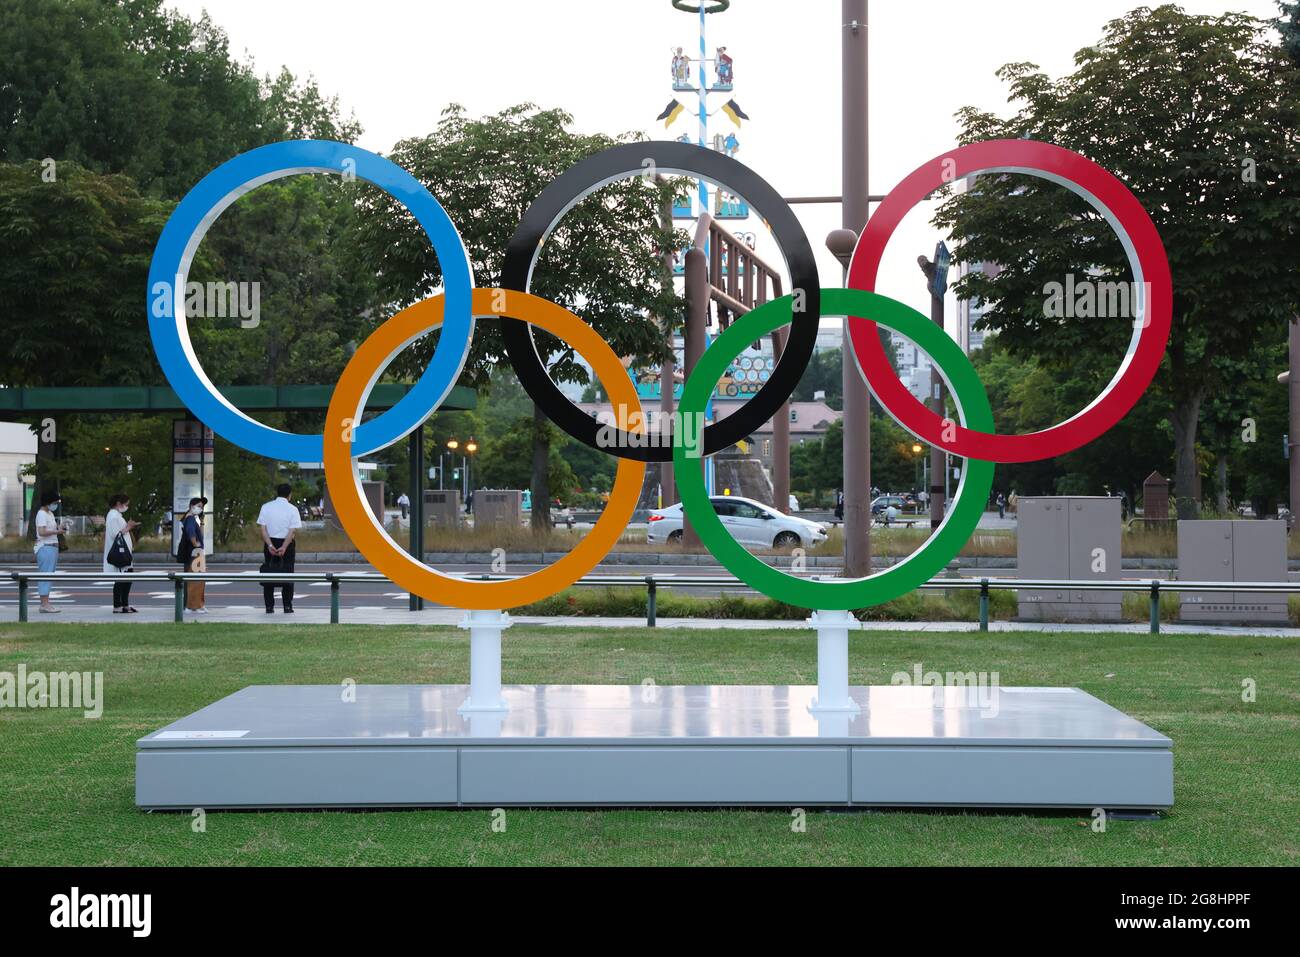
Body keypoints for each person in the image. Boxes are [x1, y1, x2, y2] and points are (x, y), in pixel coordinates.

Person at [258, 483, 302, 614]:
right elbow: (291, 531)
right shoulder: (293, 509)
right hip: (286, 543)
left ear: (277, 493)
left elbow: (263, 529)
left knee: (269, 573)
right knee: (288, 573)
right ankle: (287, 606)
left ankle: (269, 606)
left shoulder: (266, 507)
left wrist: (270, 545)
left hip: (270, 542)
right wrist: (284, 546)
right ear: (289, 495)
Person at [104, 493, 140, 613]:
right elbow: (116, 534)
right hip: (120, 553)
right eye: (126, 504)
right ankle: (117, 605)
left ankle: (125, 604)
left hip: (125, 552)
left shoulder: (117, 515)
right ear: (118, 503)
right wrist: (128, 527)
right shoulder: (113, 515)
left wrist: (129, 526)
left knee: (127, 577)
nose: (126, 506)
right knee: (120, 579)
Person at [32, 491, 66, 614]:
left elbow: (50, 529)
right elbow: (41, 532)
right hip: (45, 547)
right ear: (48, 502)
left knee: (48, 575)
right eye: (55, 502)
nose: (56, 504)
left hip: (52, 547)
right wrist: (57, 532)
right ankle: (44, 604)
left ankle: (46, 603)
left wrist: (60, 527)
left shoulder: (50, 513)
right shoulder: (41, 514)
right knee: (45, 575)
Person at [178, 497, 207, 614]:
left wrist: (202, 521)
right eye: (199, 506)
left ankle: (197, 604)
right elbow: (191, 533)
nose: (201, 508)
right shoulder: (190, 519)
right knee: (196, 580)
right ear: (191, 506)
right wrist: (196, 544)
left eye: (202, 507)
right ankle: (193, 606)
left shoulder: (191, 519)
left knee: (198, 580)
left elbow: (200, 534)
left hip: (195, 553)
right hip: (194, 554)